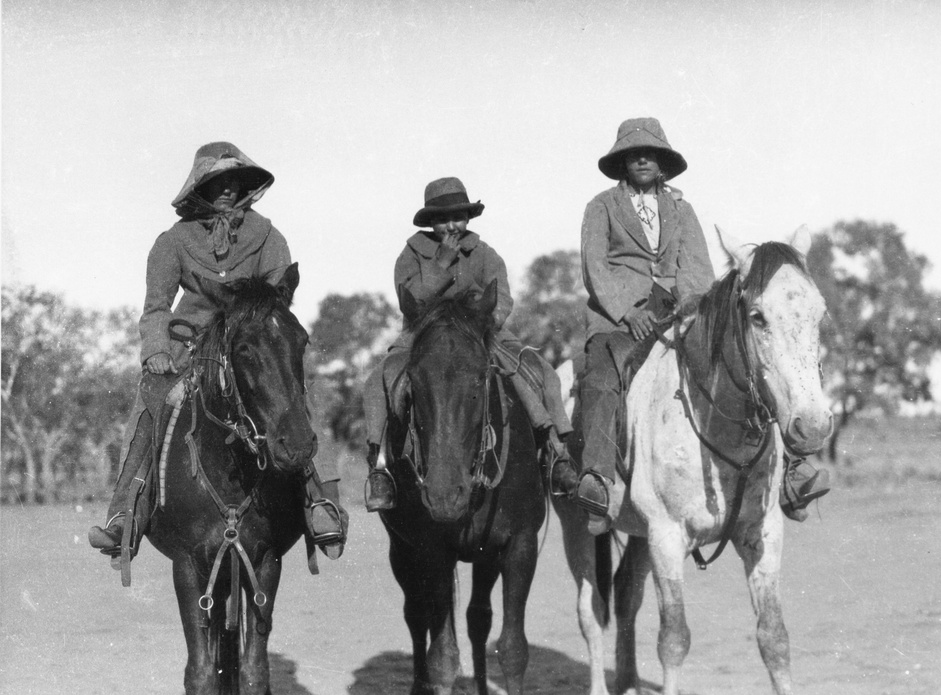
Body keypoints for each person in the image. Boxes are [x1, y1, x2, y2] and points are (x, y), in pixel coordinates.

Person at [88, 142, 346, 561]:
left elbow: (280, 298)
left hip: (250, 343)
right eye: (216, 182)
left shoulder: (266, 235)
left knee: (300, 385)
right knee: (150, 398)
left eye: (234, 181)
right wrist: (155, 349)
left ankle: (321, 501)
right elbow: (155, 307)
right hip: (190, 346)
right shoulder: (172, 241)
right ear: (200, 188)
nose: (227, 189)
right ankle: (125, 514)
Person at [574, 117, 830, 526]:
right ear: (622, 164)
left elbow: (695, 266)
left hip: (676, 312)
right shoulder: (601, 206)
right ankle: (599, 479)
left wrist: (694, 309)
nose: (642, 159)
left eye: (651, 154)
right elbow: (595, 269)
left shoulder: (682, 209)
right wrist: (629, 312)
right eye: (633, 154)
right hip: (619, 320)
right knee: (603, 377)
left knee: (746, 362)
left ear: (663, 164)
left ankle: (791, 471)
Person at [361, 177, 577, 511]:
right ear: (430, 221)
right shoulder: (412, 254)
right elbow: (409, 300)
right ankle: (379, 466)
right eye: (443, 218)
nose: (451, 225)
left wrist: (484, 324)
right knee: (379, 379)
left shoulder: (484, 253)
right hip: (423, 334)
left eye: (458, 216)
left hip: (479, 331)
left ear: (468, 217)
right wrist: (442, 262)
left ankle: (556, 452)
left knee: (541, 371)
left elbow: (502, 297)